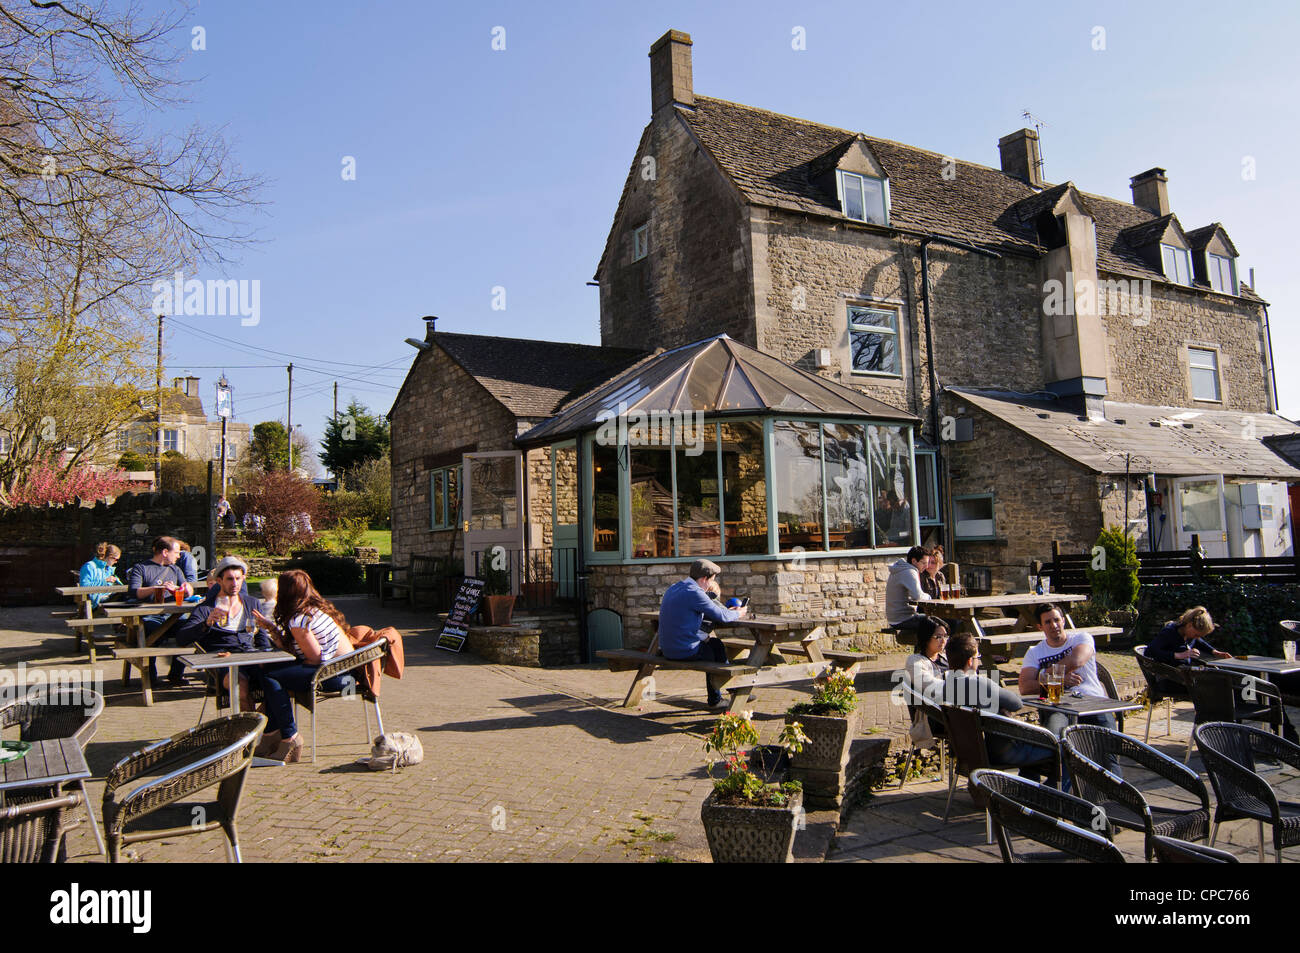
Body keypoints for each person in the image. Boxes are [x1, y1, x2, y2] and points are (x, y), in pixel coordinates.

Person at [249, 569, 355, 763]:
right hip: (344, 671)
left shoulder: (300, 619)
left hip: (335, 675)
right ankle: (273, 735)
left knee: (271, 676)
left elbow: (313, 658)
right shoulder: (313, 609)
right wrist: (272, 628)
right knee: (271, 673)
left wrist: (290, 665)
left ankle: (288, 737)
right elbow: (296, 649)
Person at [1018, 603, 1119, 783]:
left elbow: (1077, 660)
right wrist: (1060, 681)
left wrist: (1043, 675)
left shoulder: (1081, 638)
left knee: (1108, 745)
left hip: (1092, 703)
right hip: (1057, 705)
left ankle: (1115, 788)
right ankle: (1049, 789)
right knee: (1055, 743)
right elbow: (1025, 687)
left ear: (1063, 621)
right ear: (1040, 627)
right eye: (1048, 622)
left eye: (1057, 620)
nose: (1054, 625)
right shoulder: (1034, 652)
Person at [945, 632, 1058, 784]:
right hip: (1002, 751)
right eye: (978, 657)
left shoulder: (947, 684)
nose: (979, 661)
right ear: (970, 661)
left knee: (1034, 748)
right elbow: (1016, 703)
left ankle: (1027, 794)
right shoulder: (979, 684)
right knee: (1061, 750)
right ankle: (1051, 799)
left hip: (972, 752)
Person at [176, 556, 271, 710]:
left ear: (243, 579)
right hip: (222, 662)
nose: (235, 584)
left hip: (250, 656)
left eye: (238, 579)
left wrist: (267, 657)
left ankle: (262, 726)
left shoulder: (252, 603)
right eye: (229, 579)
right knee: (240, 684)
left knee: (281, 680)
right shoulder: (206, 608)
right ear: (219, 581)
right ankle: (250, 729)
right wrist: (206, 623)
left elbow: (262, 638)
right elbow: (181, 638)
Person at [657, 558, 748, 708]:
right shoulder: (695, 593)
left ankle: (730, 691)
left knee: (714, 645)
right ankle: (723, 697)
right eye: (711, 580)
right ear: (704, 579)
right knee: (715, 651)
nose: (711, 585)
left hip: (666, 649)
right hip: (683, 651)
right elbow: (723, 617)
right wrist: (740, 612)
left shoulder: (674, 588)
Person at [126, 536, 194, 684]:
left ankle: (176, 675)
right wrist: (156, 588)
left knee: (189, 631)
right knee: (151, 634)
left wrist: (180, 588)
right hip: (150, 616)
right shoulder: (141, 568)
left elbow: (189, 590)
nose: (178, 555)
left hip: (174, 615)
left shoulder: (175, 569)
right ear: (165, 552)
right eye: (176, 552)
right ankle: (150, 677)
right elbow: (134, 592)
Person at [886, 545, 933, 632]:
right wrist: (929, 597)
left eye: (927, 563)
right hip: (903, 619)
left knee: (933, 621)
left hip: (895, 618)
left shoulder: (900, 569)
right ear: (914, 561)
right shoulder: (909, 572)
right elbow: (918, 596)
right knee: (936, 624)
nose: (926, 567)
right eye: (924, 563)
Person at [78, 542, 122, 609]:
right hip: (96, 599)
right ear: (109, 557)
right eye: (116, 559)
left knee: (128, 597)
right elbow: (84, 586)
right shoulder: (89, 566)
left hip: (108, 595)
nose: (116, 562)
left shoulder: (108, 568)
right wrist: (106, 580)